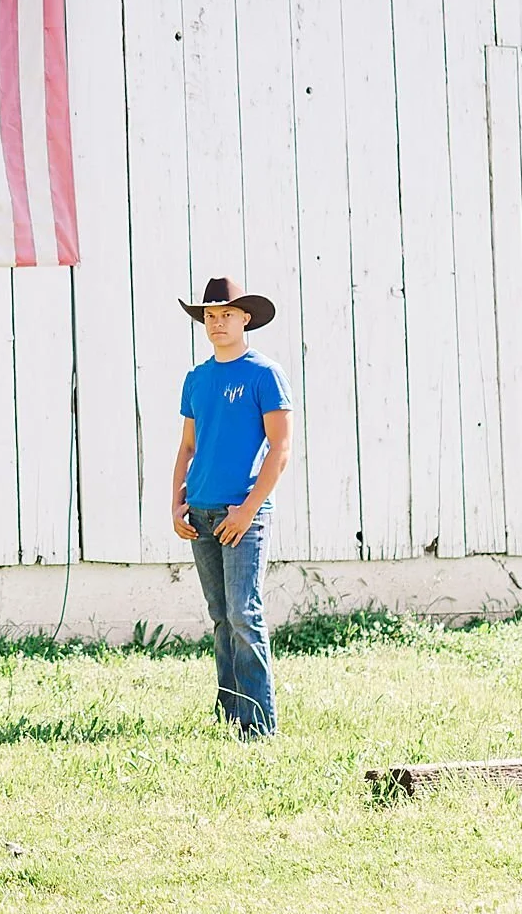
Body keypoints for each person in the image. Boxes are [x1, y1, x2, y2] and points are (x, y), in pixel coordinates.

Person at [169, 276, 294, 738]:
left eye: (227, 314)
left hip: (243, 512)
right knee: (221, 615)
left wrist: (248, 509)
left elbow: (280, 449)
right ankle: (231, 713)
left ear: (246, 318)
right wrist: (177, 501)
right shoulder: (197, 379)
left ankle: (258, 727)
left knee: (245, 612)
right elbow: (187, 447)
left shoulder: (263, 374)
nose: (218, 322)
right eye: (210, 315)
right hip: (199, 511)